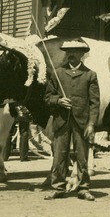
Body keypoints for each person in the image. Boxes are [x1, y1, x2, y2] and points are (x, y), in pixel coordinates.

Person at [43, 39, 100, 201]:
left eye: (75, 51)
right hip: (61, 122)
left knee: (82, 156)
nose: (71, 55)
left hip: (82, 123)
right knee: (59, 156)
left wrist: (91, 124)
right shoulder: (58, 73)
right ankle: (58, 187)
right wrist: (58, 100)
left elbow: (95, 103)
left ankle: (83, 188)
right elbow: (47, 97)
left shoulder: (90, 75)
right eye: (68, 52)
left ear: (82, 54)